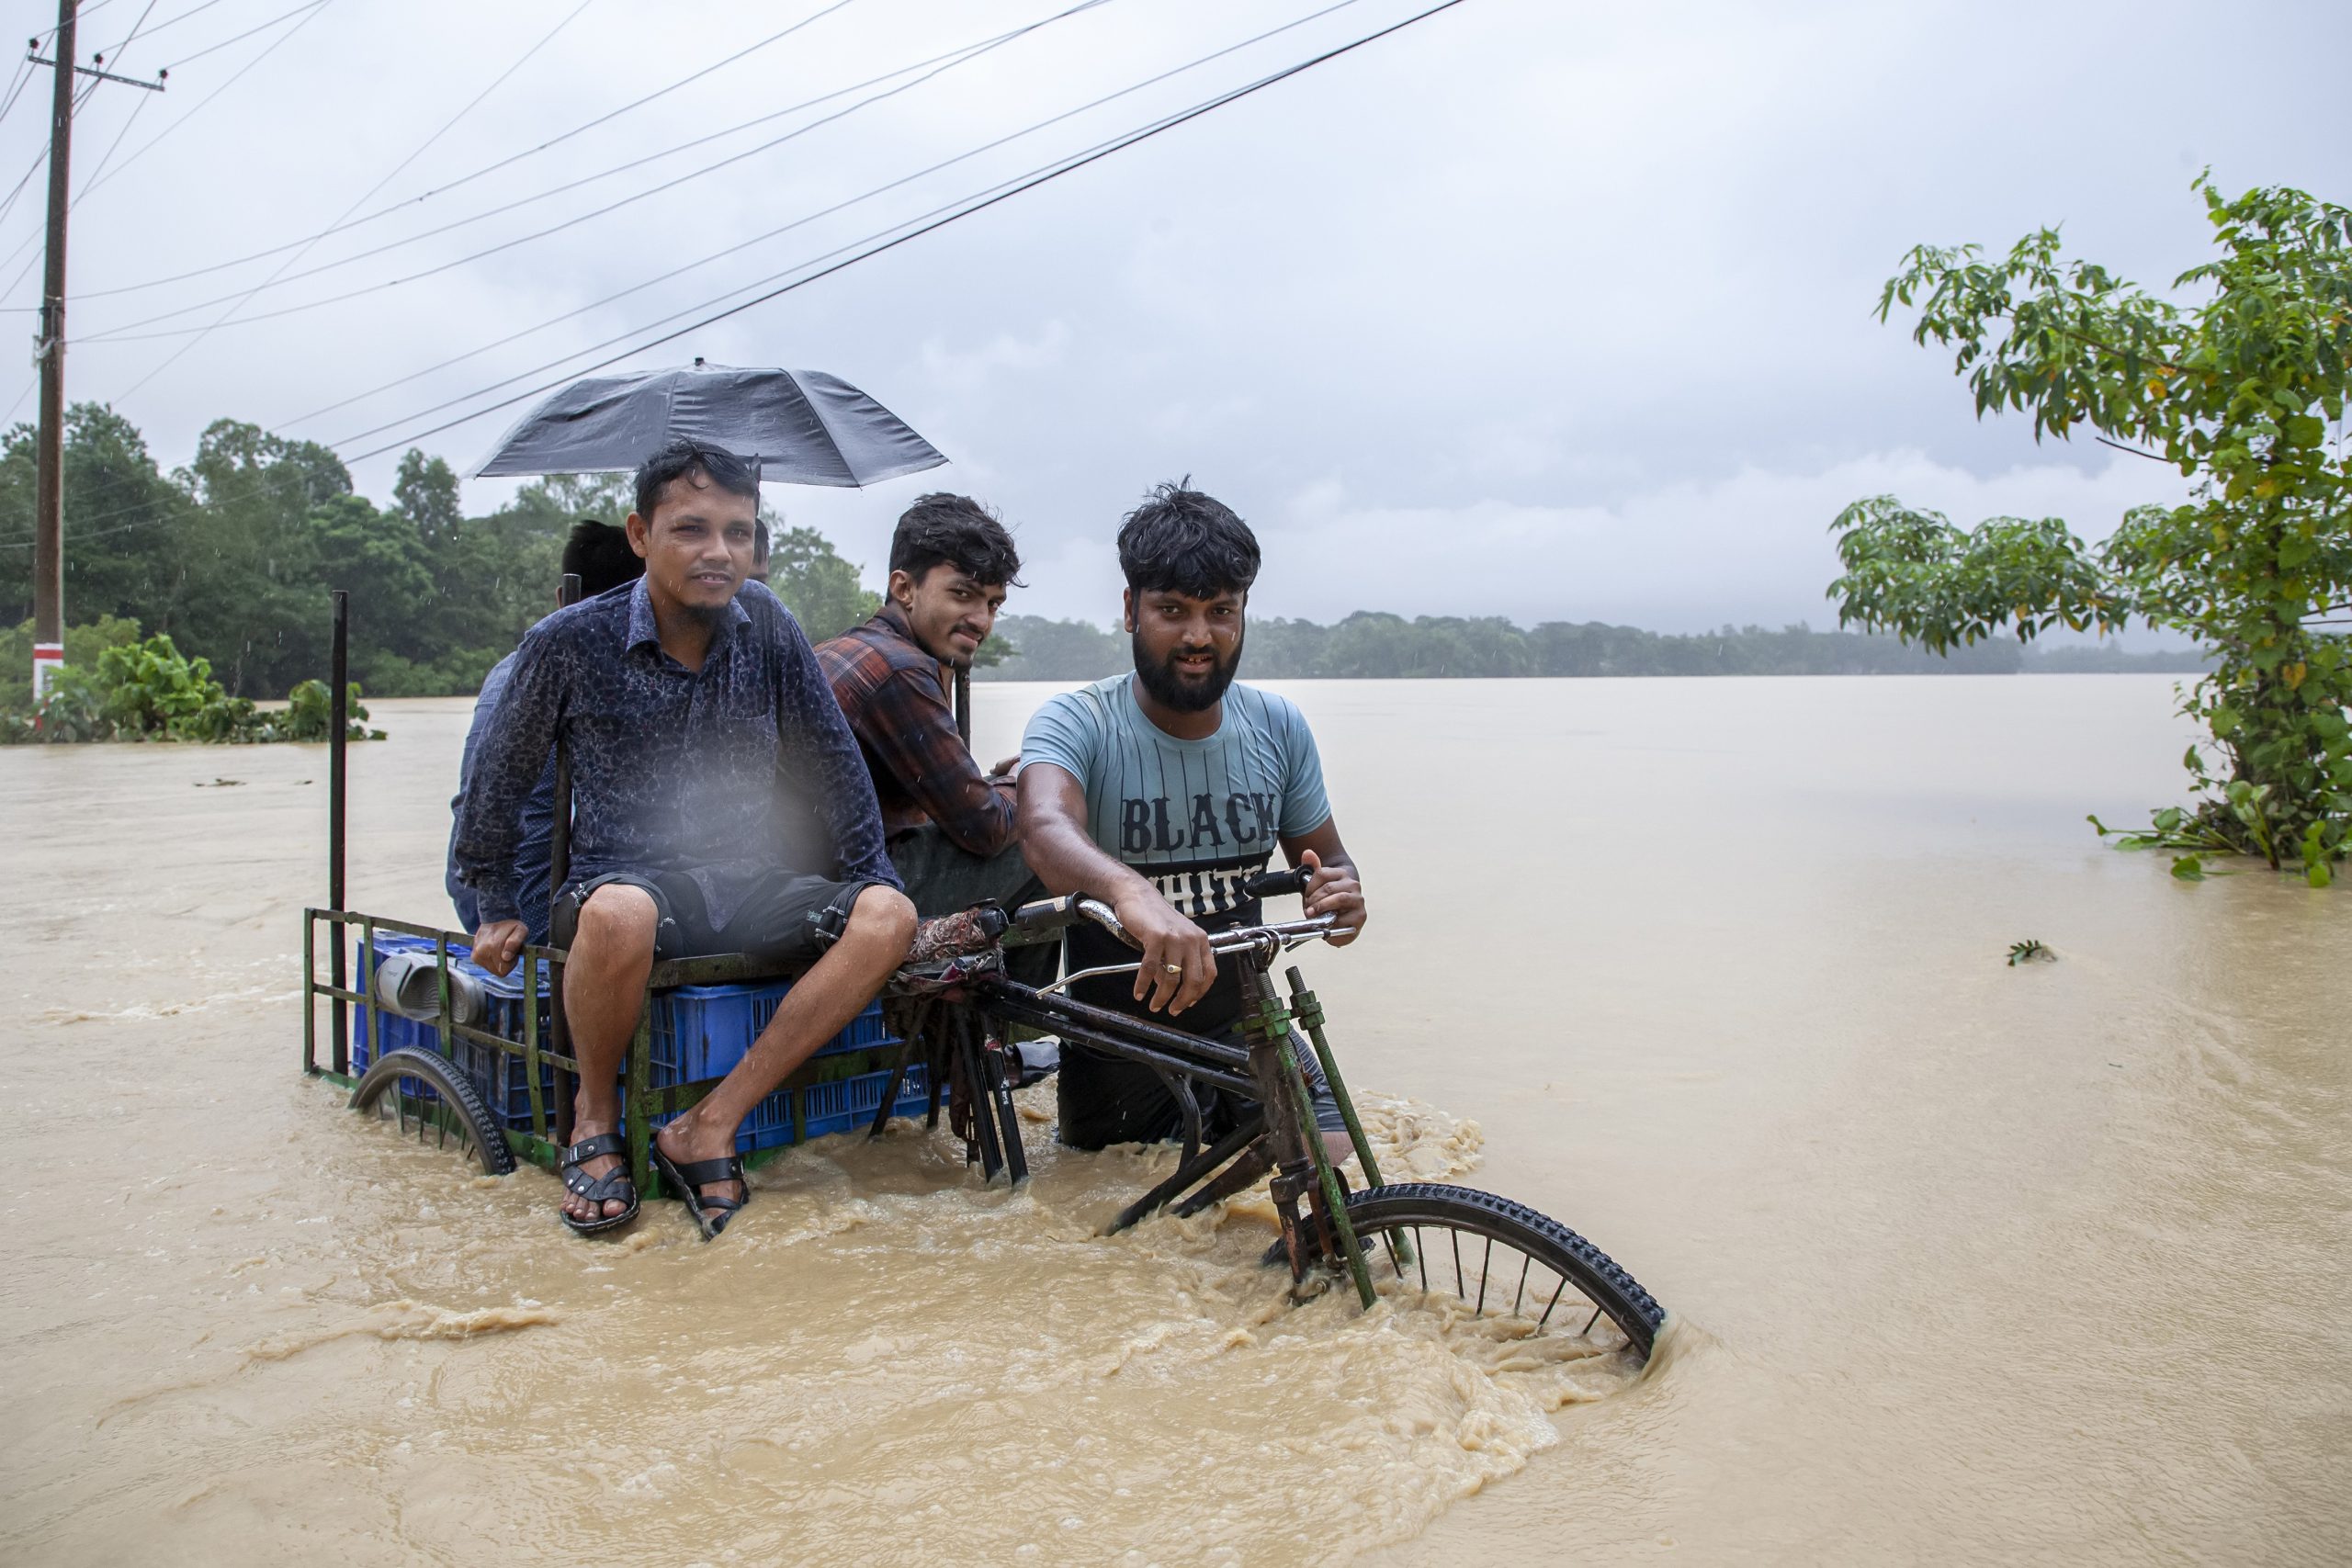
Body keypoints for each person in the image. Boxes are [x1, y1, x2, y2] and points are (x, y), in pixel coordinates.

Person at [454, 439, 917, 1239]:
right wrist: (492, 904)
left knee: (890, 916)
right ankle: (593, 1118)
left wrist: (872, 878)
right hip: (623, 883)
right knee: (619, 913)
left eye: (738, 533)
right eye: (692, 530)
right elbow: (495, 788)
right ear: (641, 535)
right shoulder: (569, 641)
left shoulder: (767, 624)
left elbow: (833, 767)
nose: (719, 552)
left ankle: (708, 1122)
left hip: (747, 883)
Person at [1014, 482, 1367, 1154]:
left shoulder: (1280, 725)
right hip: (1118, 1047)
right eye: (1172, 610)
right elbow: (1042, 827)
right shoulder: (1077, 720)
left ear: (1243, 613)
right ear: (1129, 609)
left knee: (1339, 1187)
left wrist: (1340, 897)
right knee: (1116, 1225)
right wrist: (1129, 891)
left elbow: (1331, 862)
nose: (1199, 636)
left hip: (1248, 1026)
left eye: (1220, 610)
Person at [814, 494, 1044, 930]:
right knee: (1047, 838)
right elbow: (987, 827)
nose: (981, 620)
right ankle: (1002, 998)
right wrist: (1029, 777)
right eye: (963, 594)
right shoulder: (898, 669)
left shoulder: (849, 647)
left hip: (816, 876)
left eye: (993, 604)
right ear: (904, 588)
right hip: (844, 891)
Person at [445, 519, 644, 944]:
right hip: (534, 917)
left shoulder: (509, 667)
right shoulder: (605, 671)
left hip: (475, 907)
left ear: (561, 598)